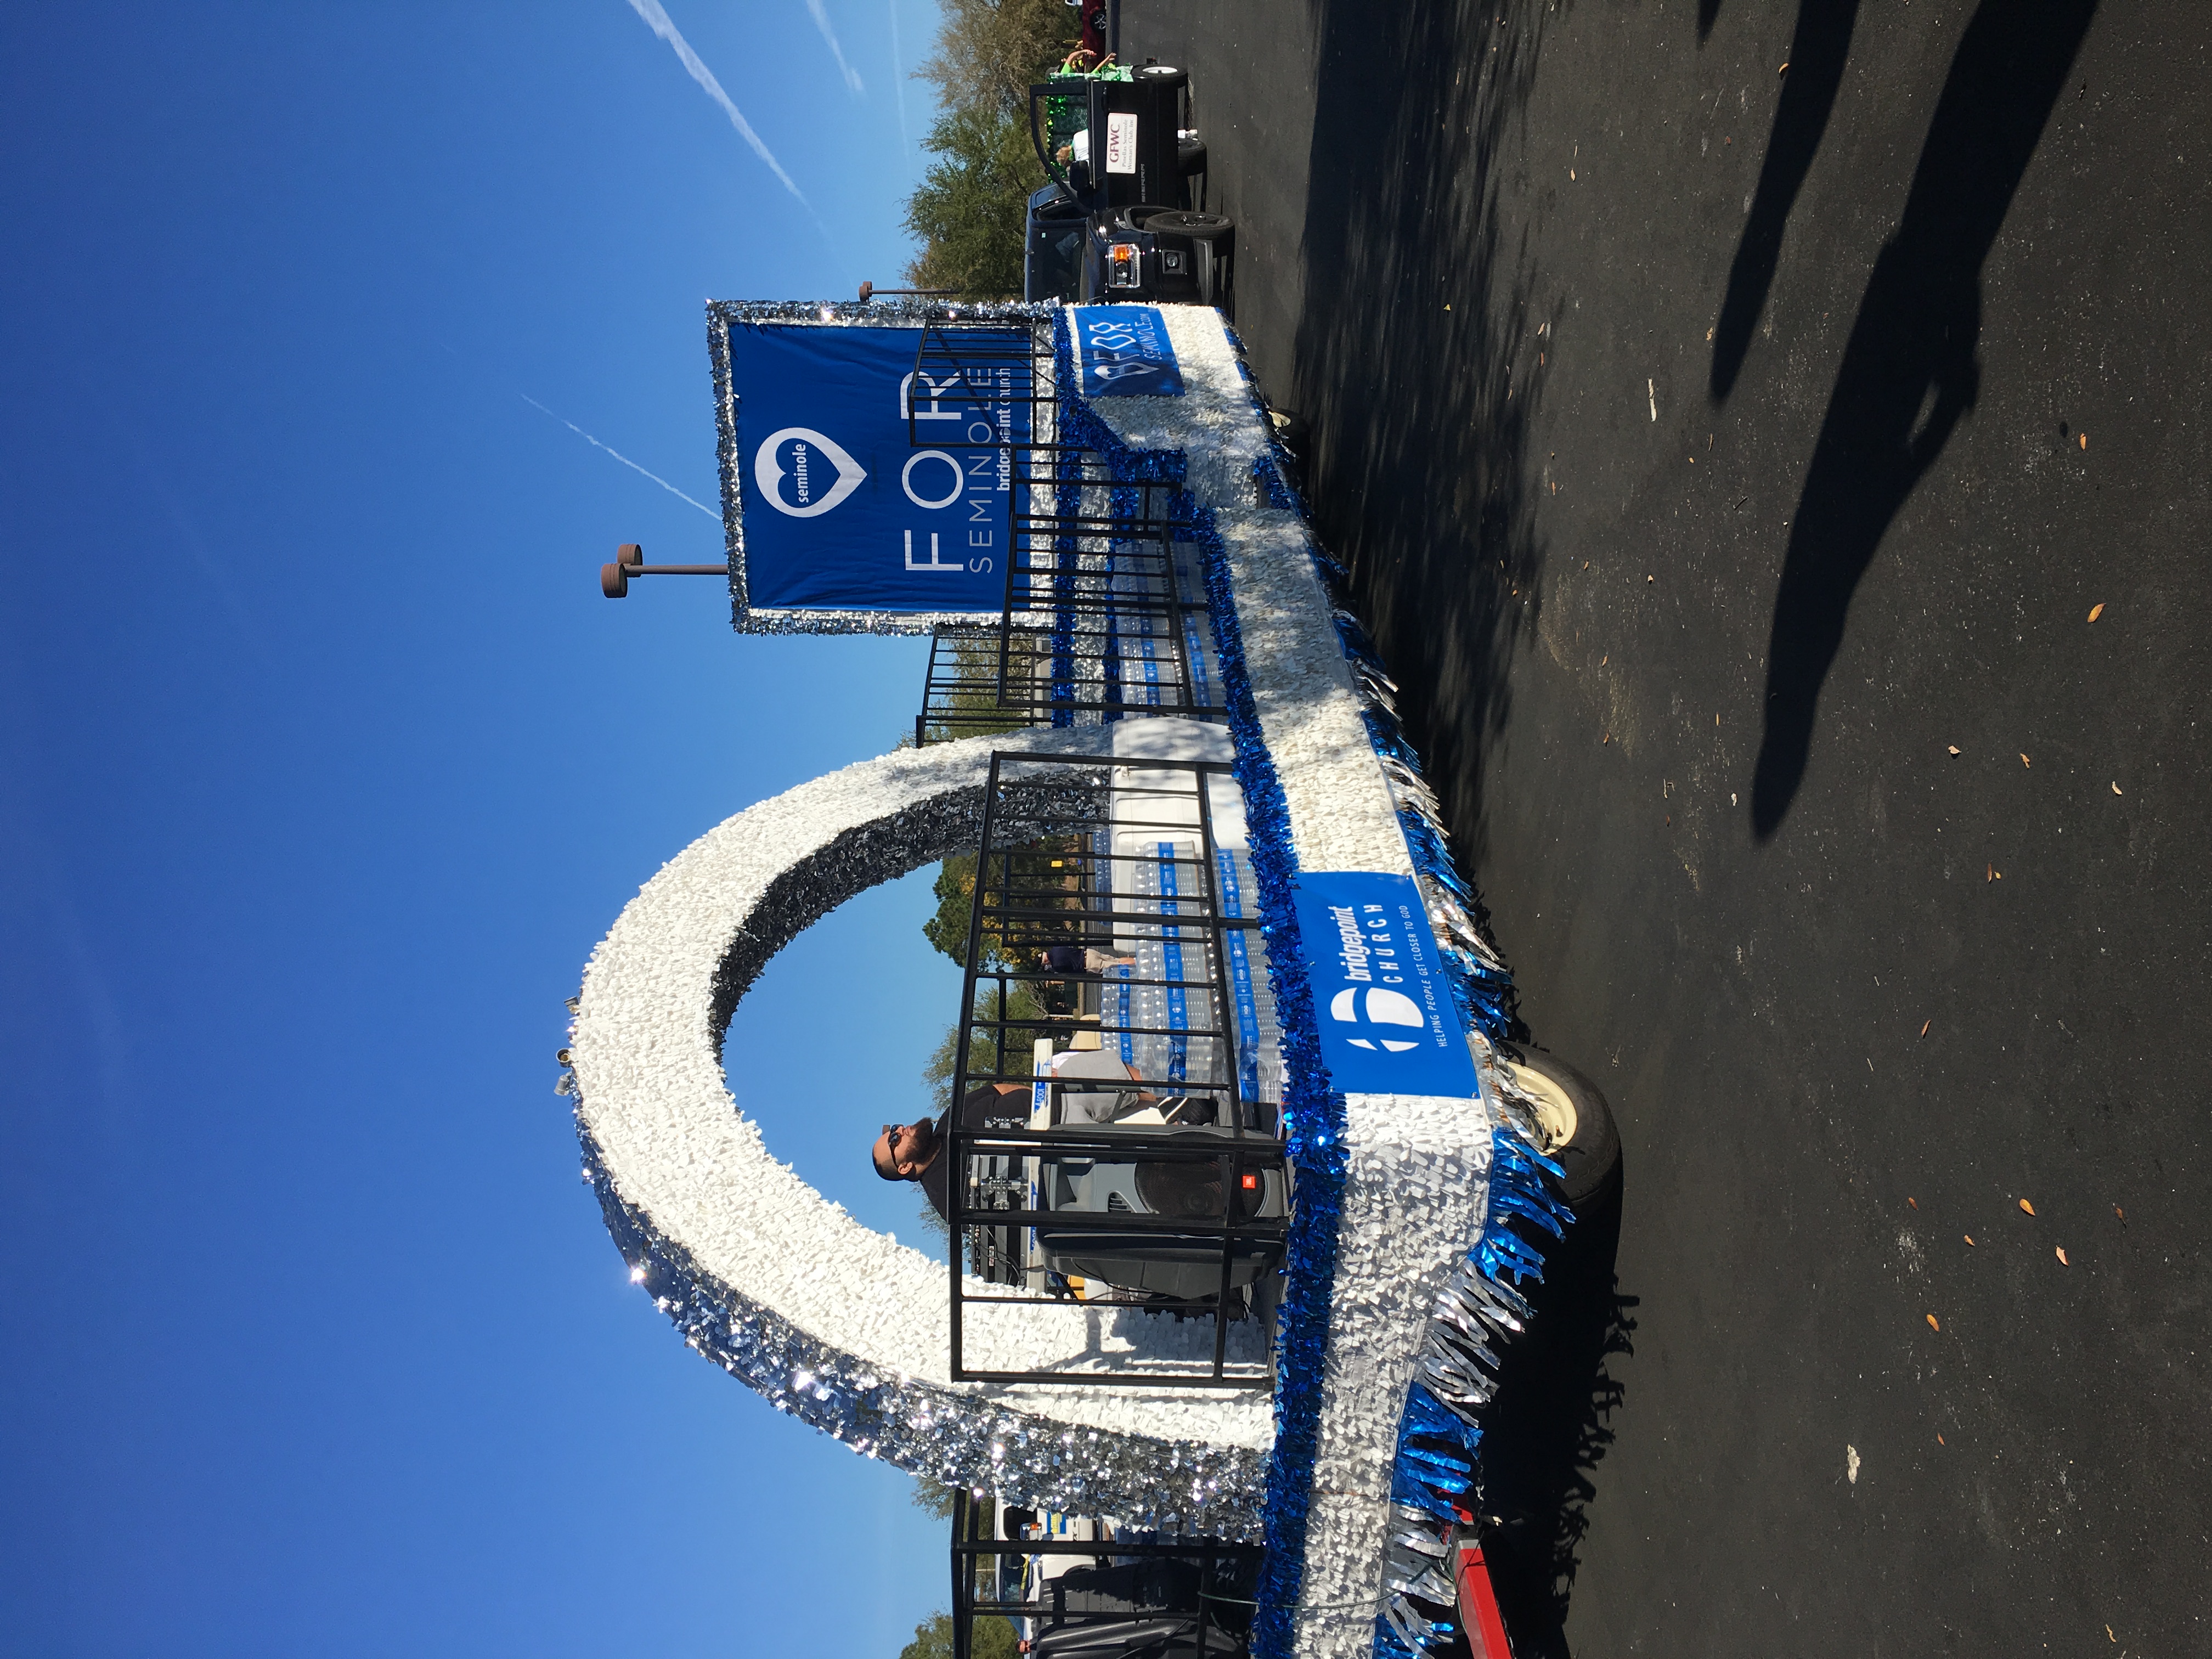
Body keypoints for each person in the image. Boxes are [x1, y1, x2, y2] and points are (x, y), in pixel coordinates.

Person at [1037, 943, 1135, 976]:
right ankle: (1135, 961)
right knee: (1116, 960)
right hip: (1089, 953)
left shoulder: (1057, 966)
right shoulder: (1056, 948)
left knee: (1116, 967)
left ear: (1045, 961)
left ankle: (1136, 966)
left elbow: (1071, 971)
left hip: (1088, 964)